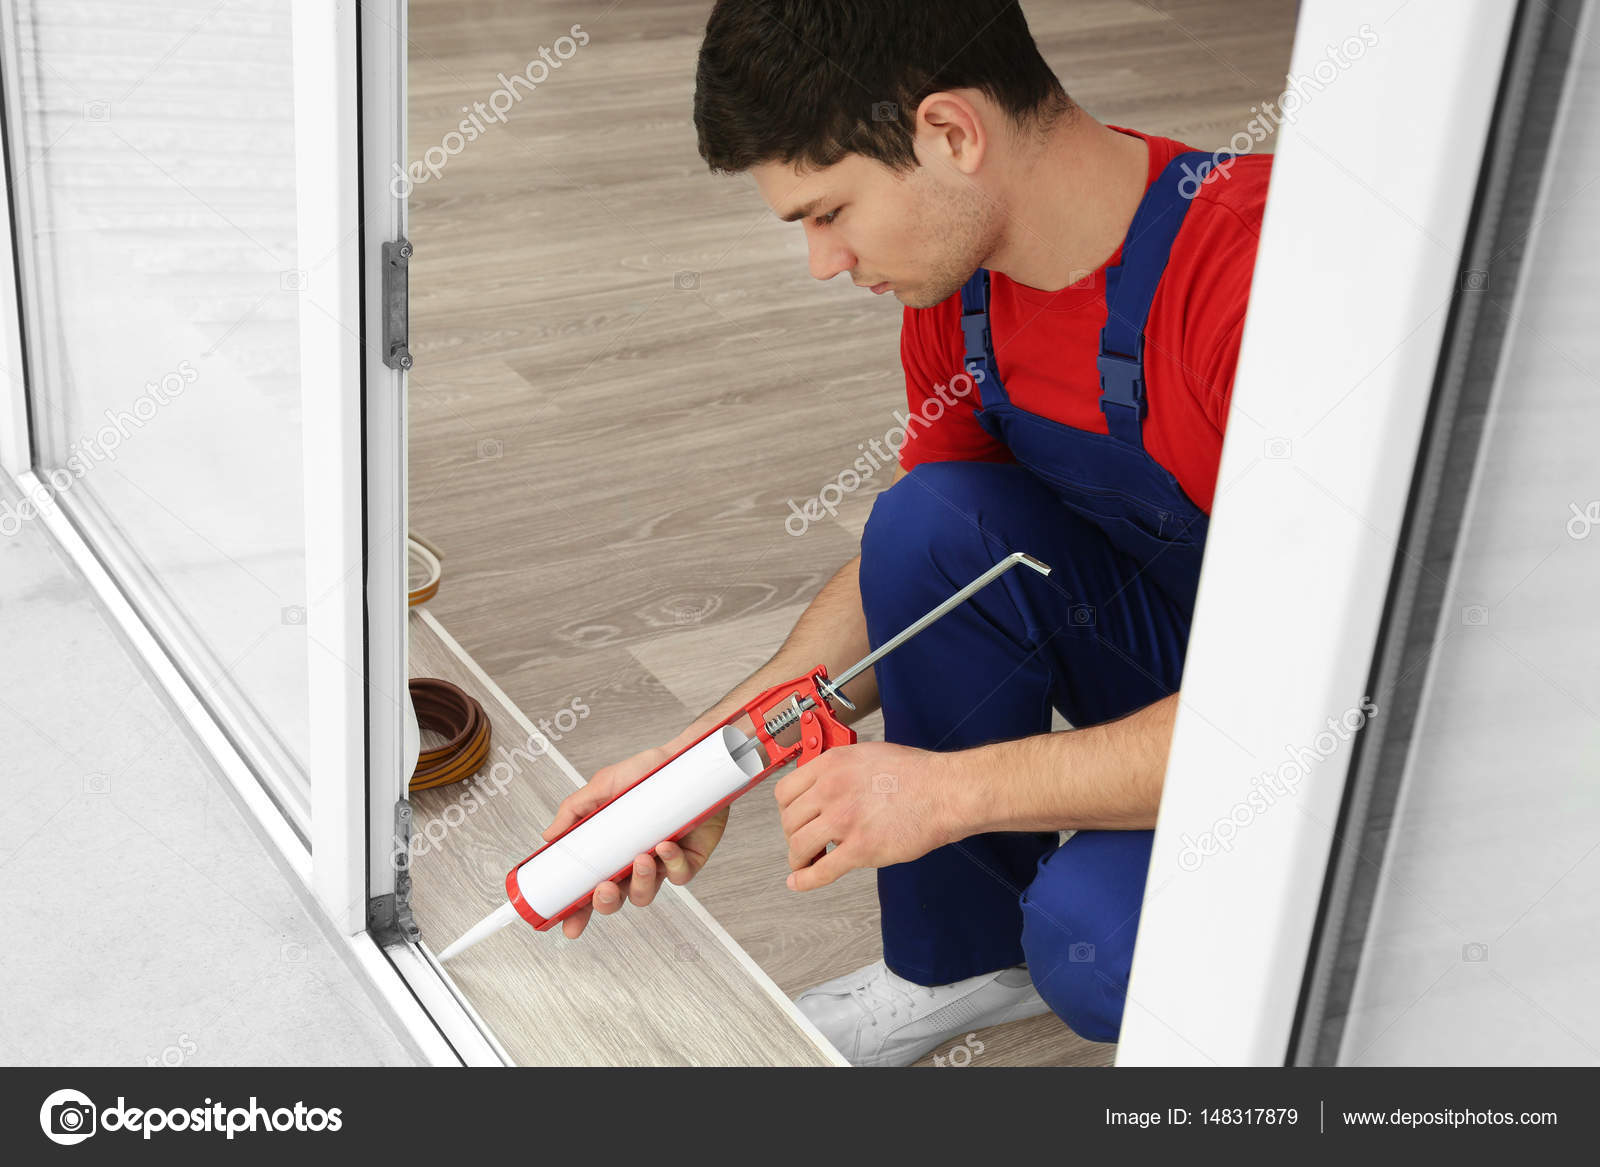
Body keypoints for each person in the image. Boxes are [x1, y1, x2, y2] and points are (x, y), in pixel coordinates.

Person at [541, 0, 1271, 1066]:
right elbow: (929, 572)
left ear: (949, 132)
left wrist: (950, 792)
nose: (822, 262)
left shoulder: (1251, 286)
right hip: (1191, 657)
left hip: (1342, 732)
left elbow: (1308, 702)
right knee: (925, 523)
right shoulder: (960, 292)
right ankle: (961, 964)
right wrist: (703, 764)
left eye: (827, 212)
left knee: (1096, 942)